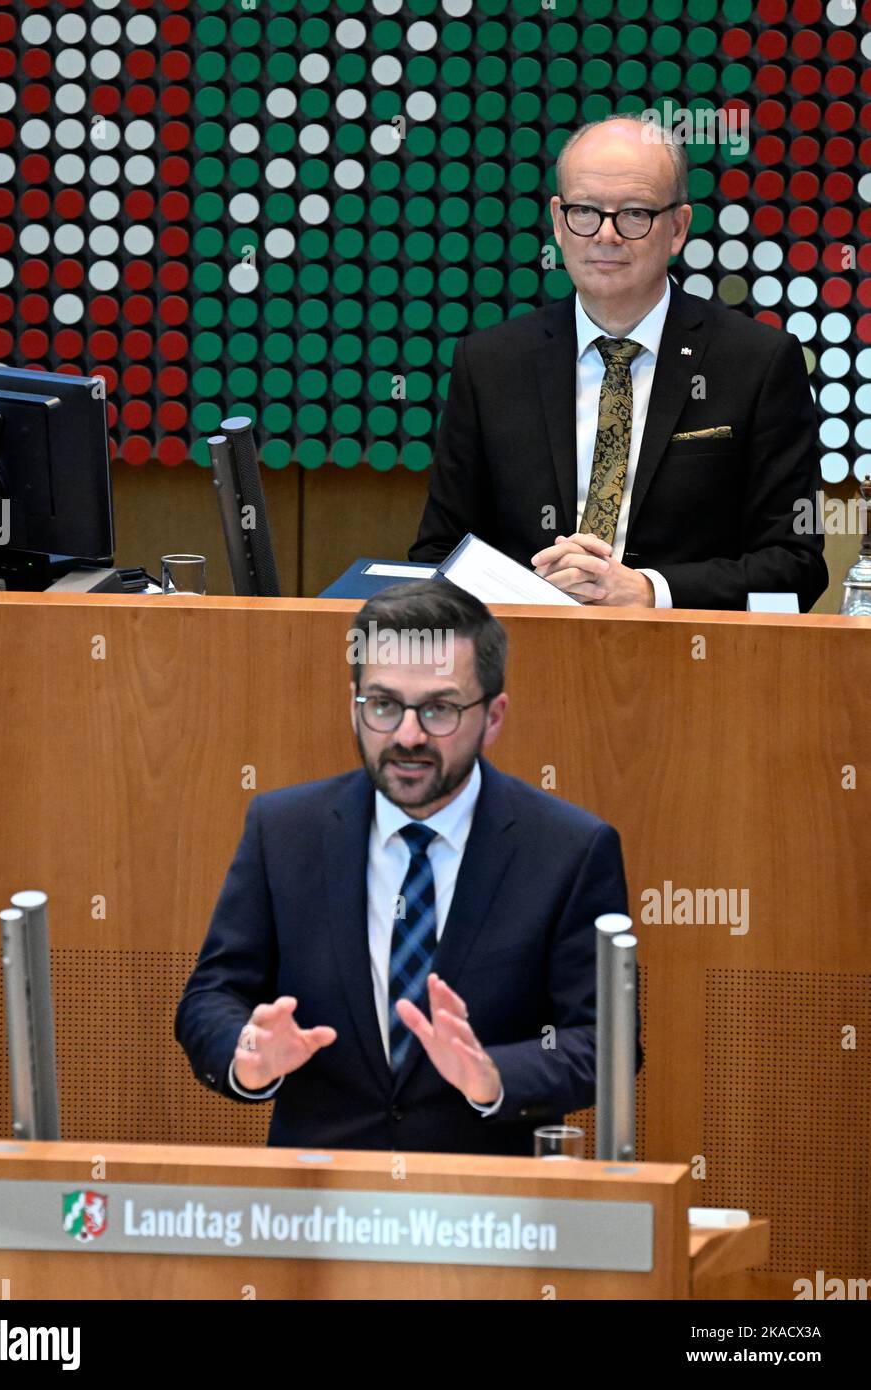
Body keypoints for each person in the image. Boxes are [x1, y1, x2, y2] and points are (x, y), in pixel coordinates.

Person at [175, 581, 640, 1156]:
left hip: (489, 1204)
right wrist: (248, 1055)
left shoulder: (569, 848)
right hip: (319, 1198)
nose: (408, 735)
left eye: (439, 709)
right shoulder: (284, 829)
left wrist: (492, 1075)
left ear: (493, 717)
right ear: (355, 706)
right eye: (384, 705)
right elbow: (211, 996)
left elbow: (609, 1042)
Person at [409, 114, 827, 612]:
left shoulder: (758, 363)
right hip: (525, 664)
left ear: (677, 228)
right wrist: (530, 590)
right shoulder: (490, 364)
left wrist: (648, 590)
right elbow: (438, 555)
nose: (606, 236)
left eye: (634, 214)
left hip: (695, 663)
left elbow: (795, 568)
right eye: (585, 212)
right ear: (559, 223)